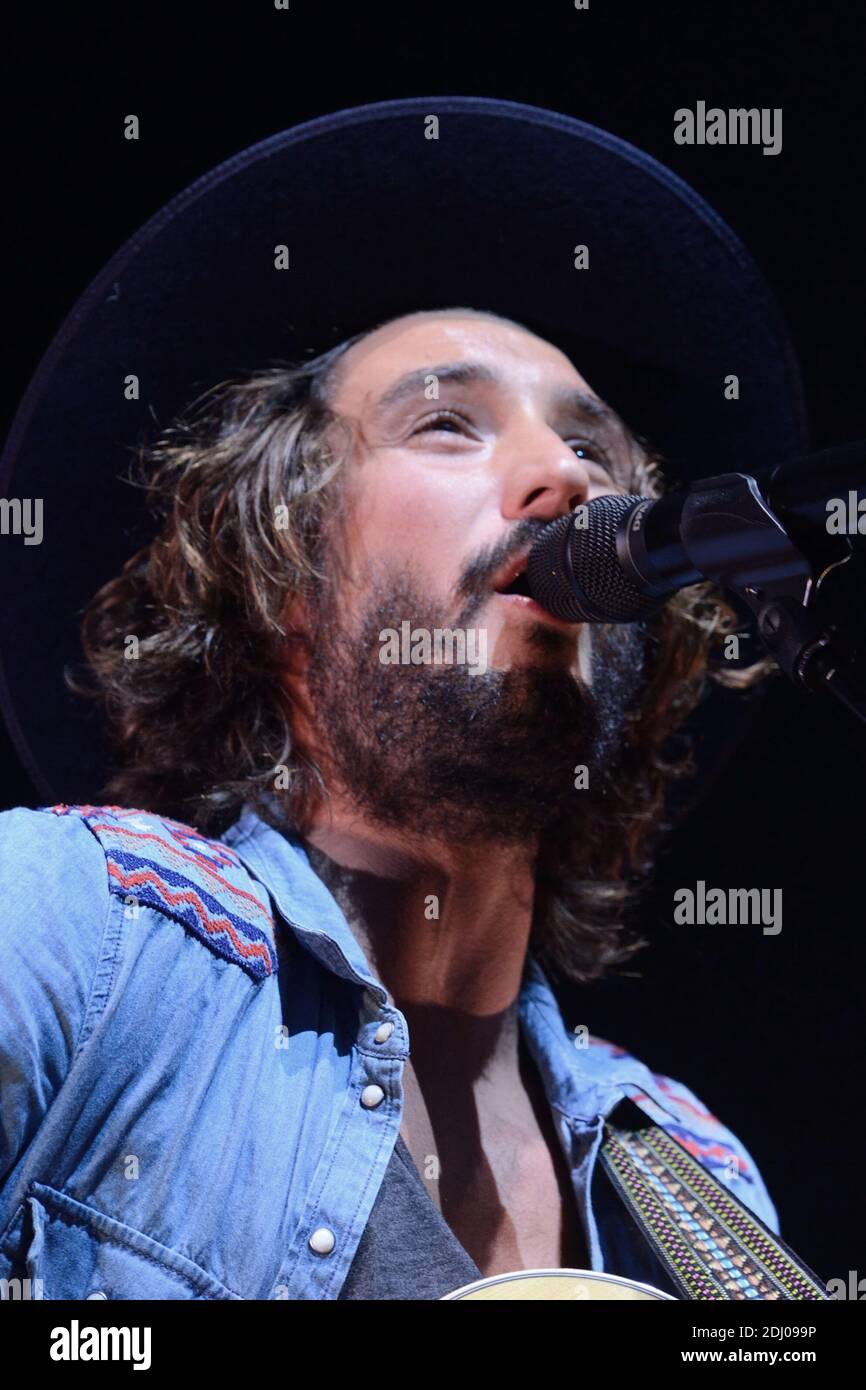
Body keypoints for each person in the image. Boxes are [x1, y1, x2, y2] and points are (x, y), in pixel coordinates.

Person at [0, 98, 826, 1301]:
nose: (564, 477)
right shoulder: (84, 934)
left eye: (592, 450)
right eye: (446, 425)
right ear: (279, 565)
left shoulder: (701, 1184)